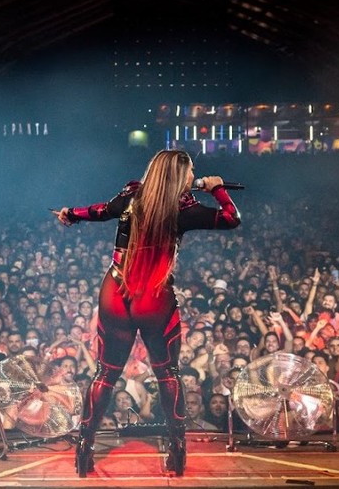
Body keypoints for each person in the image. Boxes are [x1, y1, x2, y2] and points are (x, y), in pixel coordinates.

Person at [54, 150, 240, 477]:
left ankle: (85, 444)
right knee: (167, 373)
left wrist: (71, 213)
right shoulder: (185, 207)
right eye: (190, 171)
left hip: (116, 289)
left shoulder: (131, 193)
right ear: (179, 174)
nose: (193, 175)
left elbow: (100, 211)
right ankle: (177, 449)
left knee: (105, 373)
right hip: (153, 295)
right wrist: (217, 189)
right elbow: (230, 218)